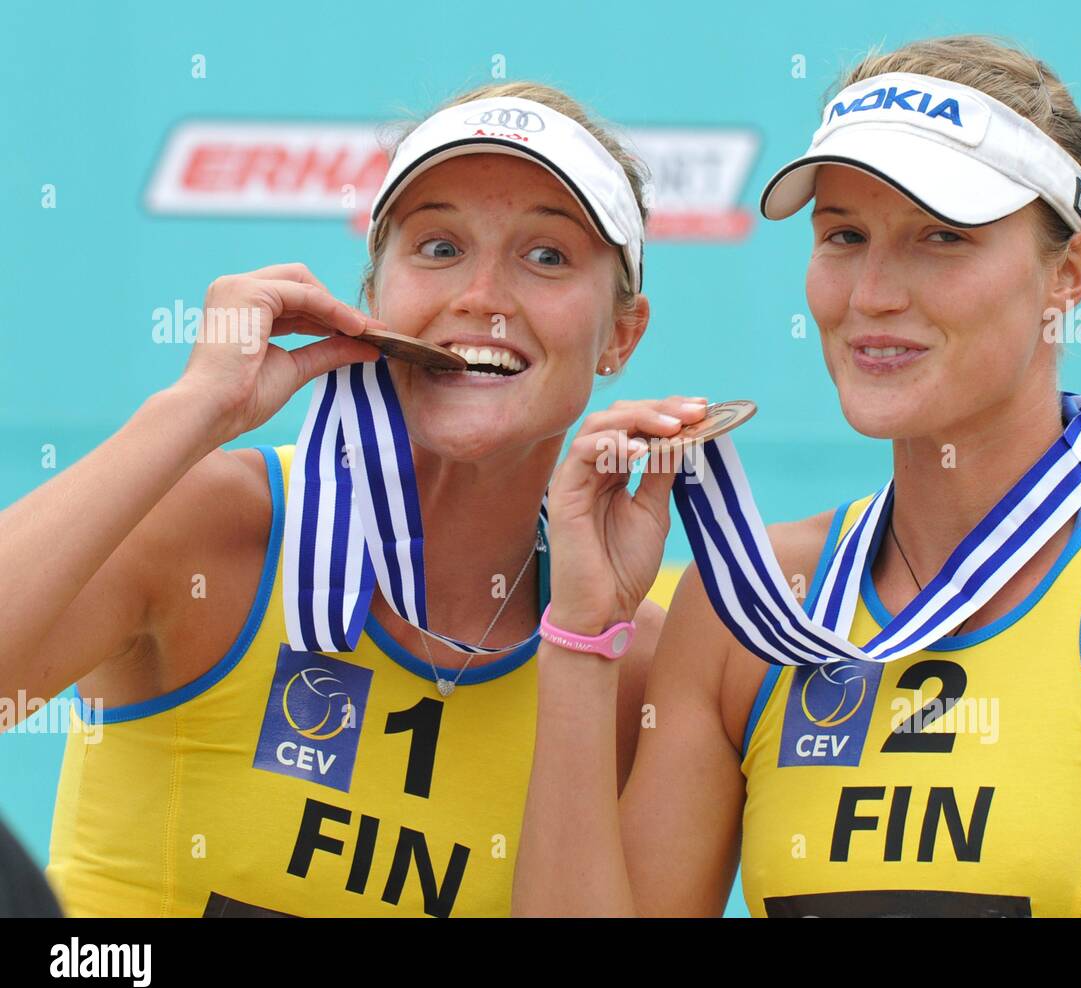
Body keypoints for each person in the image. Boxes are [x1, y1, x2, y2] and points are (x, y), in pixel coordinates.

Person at [515, 35, 1081, 917]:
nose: (874, 293)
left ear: (1067, 274)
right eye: (844, 235)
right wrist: (582, 637)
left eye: (941, 238)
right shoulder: (747, 604)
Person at [0, 81, 700, 916]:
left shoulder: (640, 657)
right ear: (372, 298)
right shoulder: (219, 523)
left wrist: (582, 641)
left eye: (545, 255)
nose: (480, 294)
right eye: (438, 247)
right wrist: (194, 410)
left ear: (622, 333)